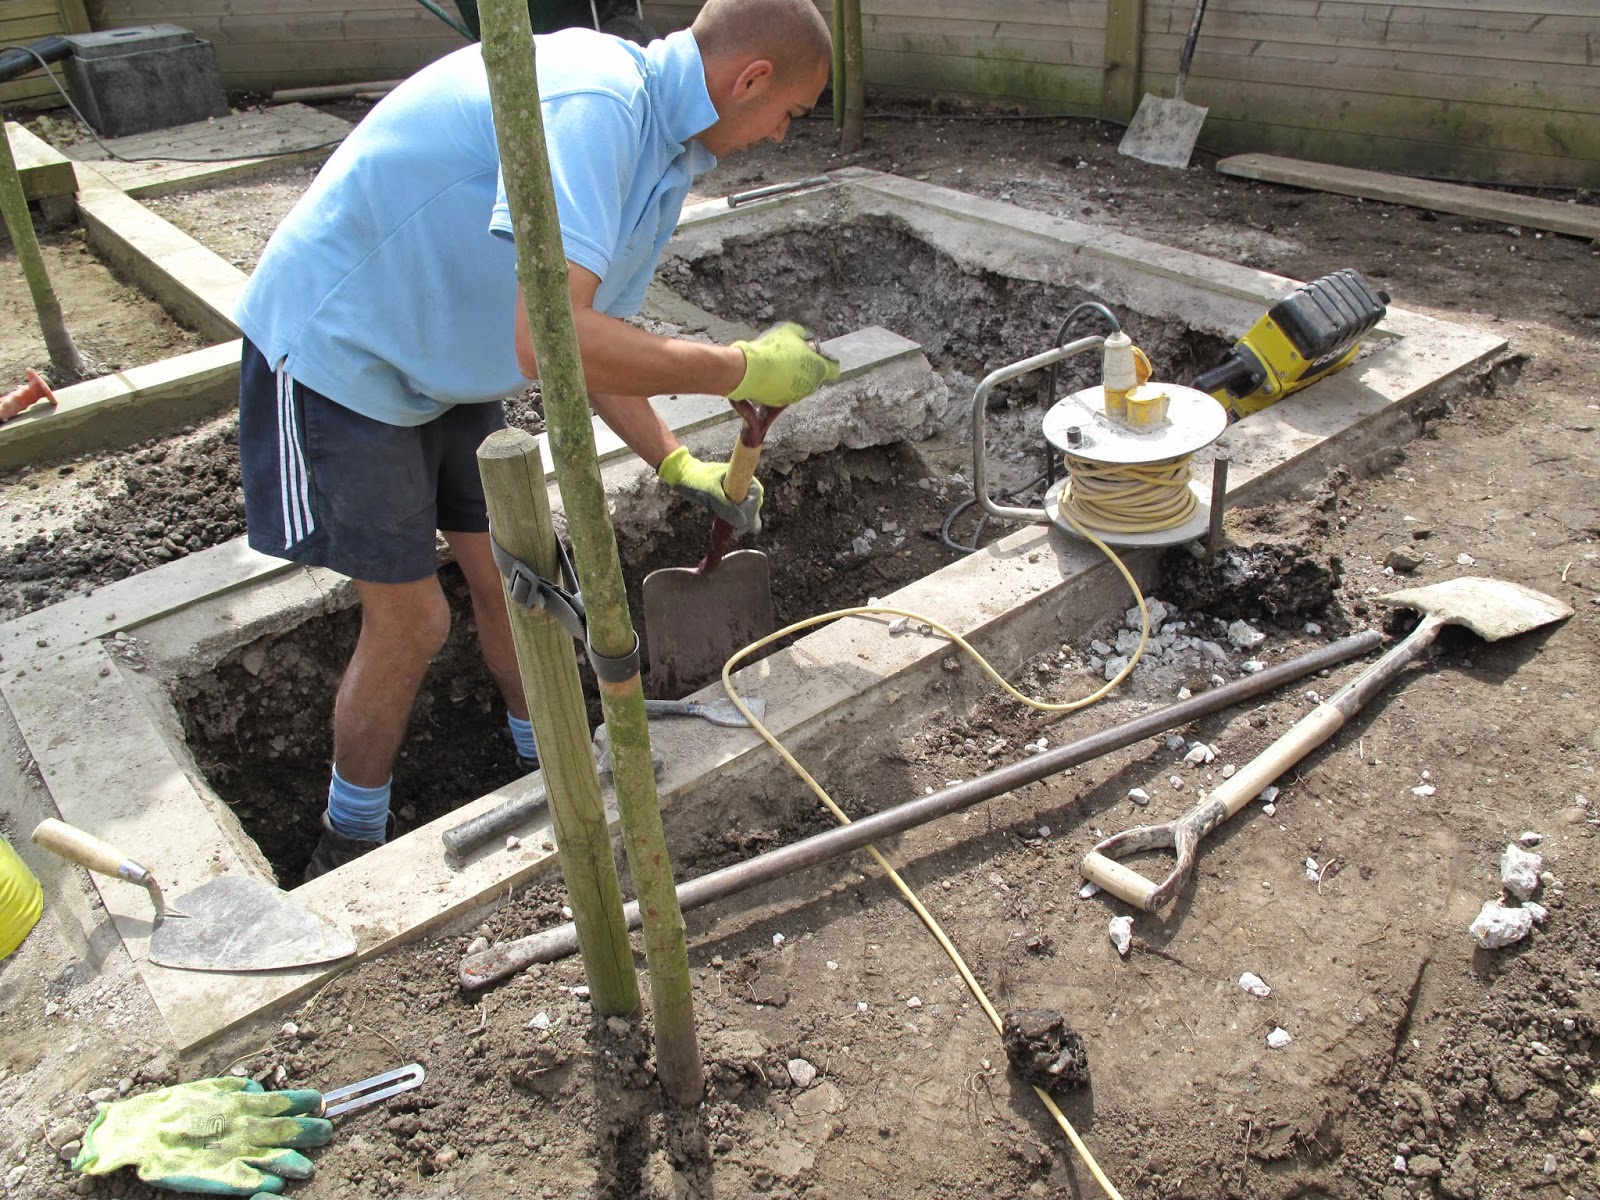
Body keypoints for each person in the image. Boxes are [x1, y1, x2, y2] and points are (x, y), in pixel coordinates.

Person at [233, 0, 838, 881]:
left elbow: (590, 345)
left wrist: (672, 457)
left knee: (521, 583)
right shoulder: (598, 105)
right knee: (412, 620)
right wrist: (738, 367)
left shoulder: (666, 158)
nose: (784, 136)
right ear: (750, 79)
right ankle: (347, 837)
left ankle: (542, 759)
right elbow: (546, 334)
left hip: (442, 359)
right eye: (791, 113)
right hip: (341, 349)